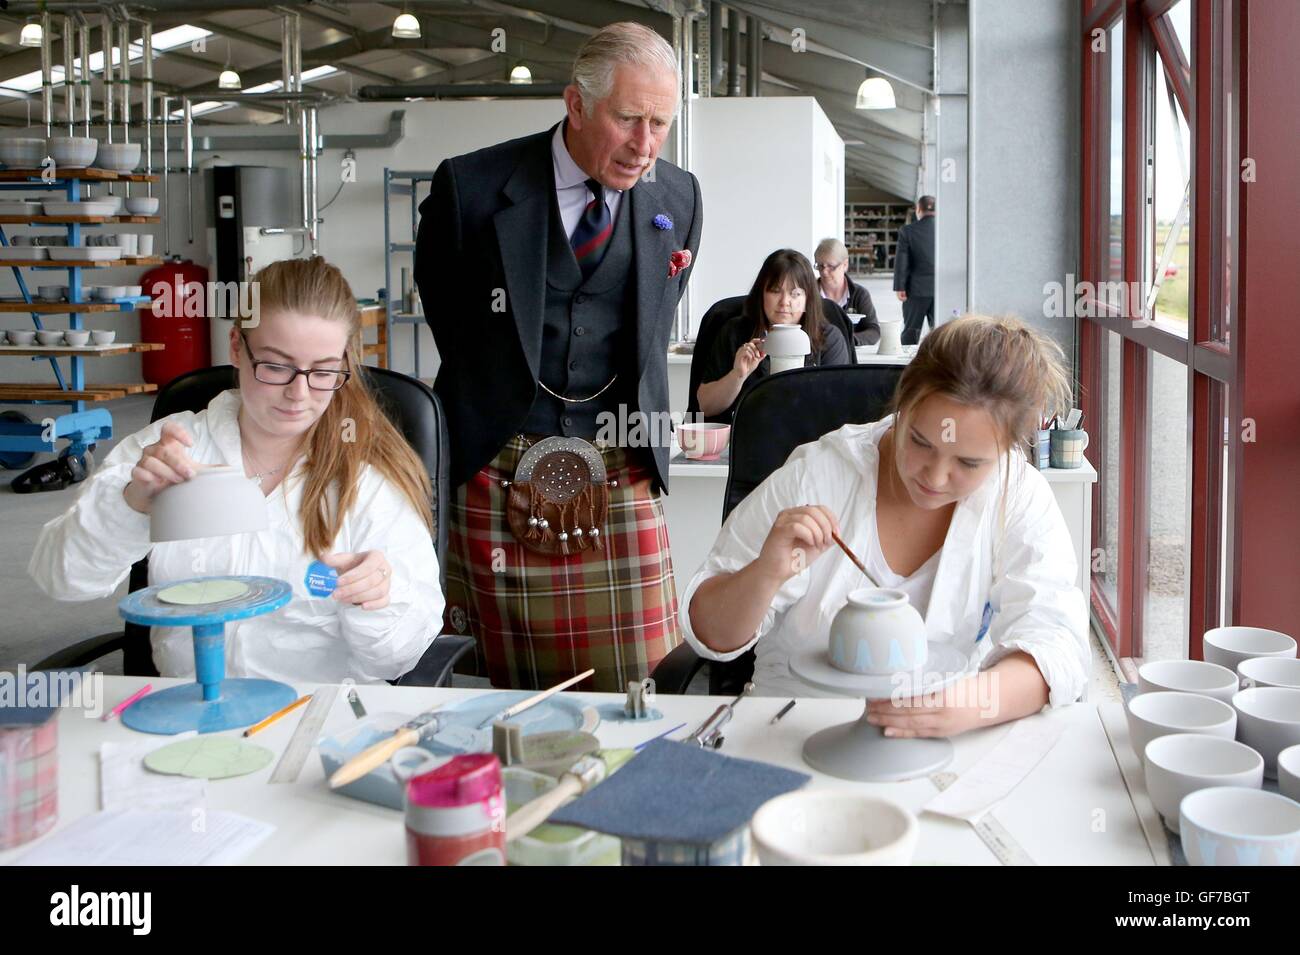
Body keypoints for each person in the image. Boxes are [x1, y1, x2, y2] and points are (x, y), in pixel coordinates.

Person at [414, 22, 703, 692]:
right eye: (629, 119)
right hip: (495, 457)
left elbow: (649, 324)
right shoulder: (473, 188)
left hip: (624, 457)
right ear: (575, 104)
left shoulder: (678, 198)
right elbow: (452, 320)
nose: (646, 145)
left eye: (661, 122)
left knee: (644, 681)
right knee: (497, 685)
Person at [29, 257, 445, 684]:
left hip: (319, 719)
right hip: (188, 714)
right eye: (276, 366)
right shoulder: (171, 448)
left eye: (322, 371)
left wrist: (376, 599)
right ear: (235, 347)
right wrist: (131, 506)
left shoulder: (368, 476)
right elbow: (62, 579)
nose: (298, 394)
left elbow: (400, 658)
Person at [681, 314, 1090, 736]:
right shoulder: (819, 475)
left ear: (1006, 449)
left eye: (969, 462)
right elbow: (709, 634)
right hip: (792, 727)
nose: (934, 477)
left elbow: (1057, 644)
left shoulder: (1017, 493)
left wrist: (966, 707)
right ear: (902, 406)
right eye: (919, 441)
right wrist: (765, 573)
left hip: (944, 736)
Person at [696, 249, 854, 423]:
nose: (785, 301)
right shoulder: (736, 333)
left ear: (807, 298)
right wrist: (738, 375)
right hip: (746, 437)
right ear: (761, 293)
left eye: (795, 294)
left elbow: (838, 406)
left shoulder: (828, 338)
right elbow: (706, 406)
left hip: (810, 440)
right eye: (775, 290)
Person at [814, 237, 879, 345]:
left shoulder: (859, 295)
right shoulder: (809, 295)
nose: (824, 272)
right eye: (820, 266)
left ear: (845, 265)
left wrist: (847, 340)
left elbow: (874, 331)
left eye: (831, 266)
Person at [894, 195, 936, 346]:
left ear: (918, 209)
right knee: (941, 332)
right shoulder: (946, 231)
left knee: (911, 331)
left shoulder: (908, 231)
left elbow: (902, 261)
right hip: (941, 290)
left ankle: (904, 366)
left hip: (916, 289)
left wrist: (900, 286)